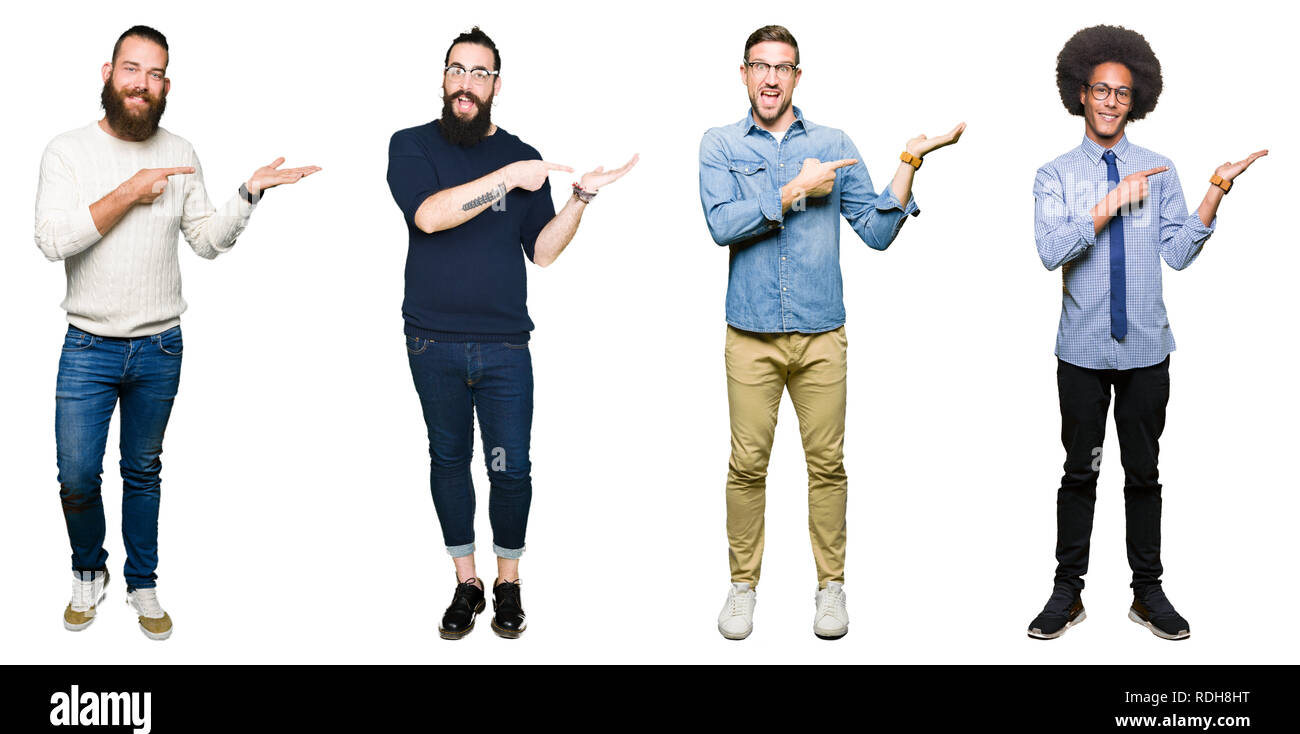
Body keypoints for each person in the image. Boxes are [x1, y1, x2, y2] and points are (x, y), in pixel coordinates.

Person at [34, 25, 320, 640]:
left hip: (161, 346)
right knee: (77, 475)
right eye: (131, 69)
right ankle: (89, 571)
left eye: (155, 73)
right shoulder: (67, 151)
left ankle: (142, 582)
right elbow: (52, 241)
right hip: (87, 346)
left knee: (142, 470)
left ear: (167, 84)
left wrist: (249, 194)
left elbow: (207, 242)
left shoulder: (182, 152)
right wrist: (129, 192)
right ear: (108, 72)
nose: (142, 83)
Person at [699, 25, 963, 640]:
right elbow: (721, 225)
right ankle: (742, 586)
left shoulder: (833, 143)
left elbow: (875, 230)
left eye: (783, 67)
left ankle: (831, 587)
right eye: (759, 66)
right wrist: (793, 190)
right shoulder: (718, 144)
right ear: (743, 74)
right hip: (751, 336)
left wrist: (909, 162)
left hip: (822, 337)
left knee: (828, 465)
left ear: (797, 76)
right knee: (746, 465)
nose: (770, 78)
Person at [386, 26, 637, 640]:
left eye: (479, 74)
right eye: (457, 70)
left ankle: (507, 581)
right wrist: (508, 178)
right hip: (432, 341)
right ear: (443, 78)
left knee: (510, 468)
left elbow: (543, 251)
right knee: (448, 459)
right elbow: (429, 214)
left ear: (496, 85)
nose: (466, 84)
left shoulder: (523, 153)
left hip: (504, 348)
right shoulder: (410, 145)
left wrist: (579, 197)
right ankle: (465, 580)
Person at [1028, 24, 1266, 641]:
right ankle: (1066, 592)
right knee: (1079, 471)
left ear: (1137, 101)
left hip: (1145, 352)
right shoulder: (1053, 175)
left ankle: (1147, 591)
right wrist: (1107, 204)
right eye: (1100, 90)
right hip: (1079, 352)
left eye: (1122, 93)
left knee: (1144, 473)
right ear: (1080, 93)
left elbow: (1180, 252)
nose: (1110, 101)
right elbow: (1050, 251)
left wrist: (1215, 191)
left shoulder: (1159, 170)